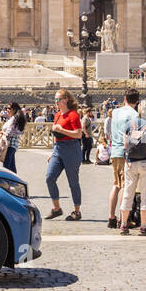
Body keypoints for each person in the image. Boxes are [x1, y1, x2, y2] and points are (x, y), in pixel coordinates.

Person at [117, 101, 146, 236]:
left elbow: (125, 144)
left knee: (128, 194)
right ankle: (143, 227)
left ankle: (124, 224)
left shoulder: (130, 124)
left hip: (130, 163)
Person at [44, 89, 83, 221]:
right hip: (58, 148)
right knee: (49, 177)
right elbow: (56, 135)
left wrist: (62, 130)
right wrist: (53, 151)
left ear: (65, 100)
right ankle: (57, 208)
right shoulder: (57, 115)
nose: (56, 102)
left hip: (71, 148)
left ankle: (76, 211)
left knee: (73, 182)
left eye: (58, 100)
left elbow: (78, 134)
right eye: (55, 100)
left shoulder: (73, 115)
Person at [106, 89, 139, 229]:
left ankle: (111, 217)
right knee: (126, 187)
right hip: (126, 153)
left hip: (114, 151)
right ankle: (122, 219)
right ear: (137, 101)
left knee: (115, 185)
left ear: (124, 98)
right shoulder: (135, 114)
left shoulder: (114, 112)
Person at [0, 102, 26, 173]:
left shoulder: (14, 119)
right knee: (12, 168)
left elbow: (9, 133)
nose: (7, 110)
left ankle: (5, 182)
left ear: (14, 110)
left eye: (9, 108)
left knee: (6, 168)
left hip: (9, 145)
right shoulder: (16, 118)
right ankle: (15, 183)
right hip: (13, 145)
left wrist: (2, 132)